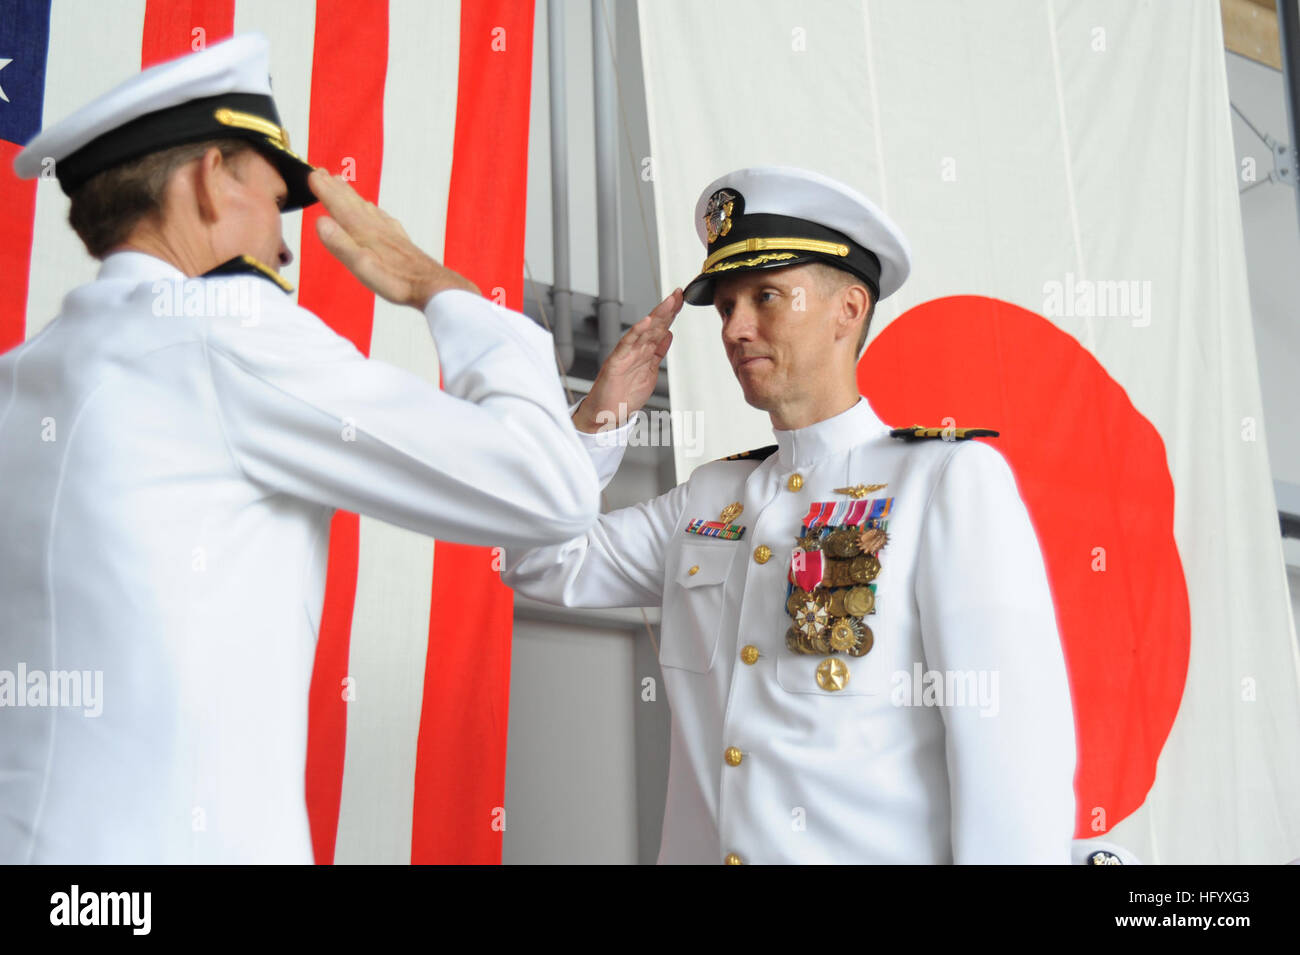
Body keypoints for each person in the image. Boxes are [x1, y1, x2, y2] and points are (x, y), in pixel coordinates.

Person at [0, 33, 599, 864]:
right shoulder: (222, 332)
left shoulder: (21, 375)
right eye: (275, 199)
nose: (285, 246)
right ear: (212, 179)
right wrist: (437, 286)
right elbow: (550, 490)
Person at [503, 166, 1078, 864]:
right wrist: (600, 419)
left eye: (766, 297)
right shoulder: (709, 497)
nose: (737, 328)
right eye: (726, 307)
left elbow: (1011, 755)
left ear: (849, 308)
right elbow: (537, 560)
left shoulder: (945, 480)